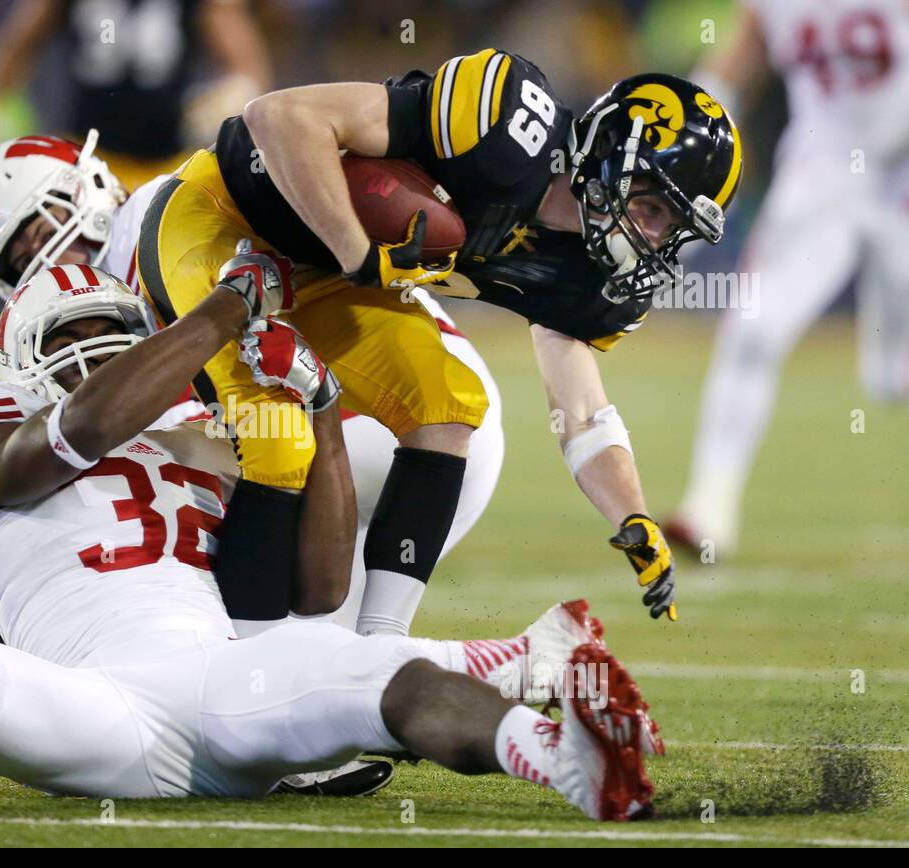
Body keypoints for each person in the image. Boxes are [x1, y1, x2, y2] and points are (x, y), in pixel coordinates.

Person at [0, 253, 662, 821]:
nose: (96, 352)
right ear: (18, 359)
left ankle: (558, 752)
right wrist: (224, 311)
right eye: (71, 339)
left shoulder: (208, 440)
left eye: (114, 334)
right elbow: (82, 429)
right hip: (87, 703)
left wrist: (312, 408)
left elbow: (315, 593)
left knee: (373, 672)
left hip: (221, 684)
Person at [138, 56, 743, 631]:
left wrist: (631, 515)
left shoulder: (589, 272)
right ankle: (247, 674)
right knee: (279, 439)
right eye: (653, 207)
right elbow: (277, 116)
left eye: (674, 226)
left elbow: (580, 409)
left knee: (447, 404)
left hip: (325, 278)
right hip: (227, 221)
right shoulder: (504, 123)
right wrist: (356, 250)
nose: (655, 238)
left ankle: (381, 648)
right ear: (611, 157)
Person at [0, 133, 504, 639]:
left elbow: (113, 440)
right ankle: (453, 664)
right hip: (442, 443)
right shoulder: (164, 223)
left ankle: (240, 688)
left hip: (356, 421)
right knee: (333, 672)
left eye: (41, 225)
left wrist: (7, 589)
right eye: (22, 257)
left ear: (89, 186)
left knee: (165, 469)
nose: (44, 253)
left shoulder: (152, 220)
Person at [668, 0, 909, 557]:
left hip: (902, 170)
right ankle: (711, 505)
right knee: (754, 329)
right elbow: (734, 64)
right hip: (821, 170)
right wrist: (685, 126)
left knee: (890, 379)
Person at [0, 0, 271, 190]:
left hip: (168, 164)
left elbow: (246, 64)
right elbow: (19, 43)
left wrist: (234, 93)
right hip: (85, 161)